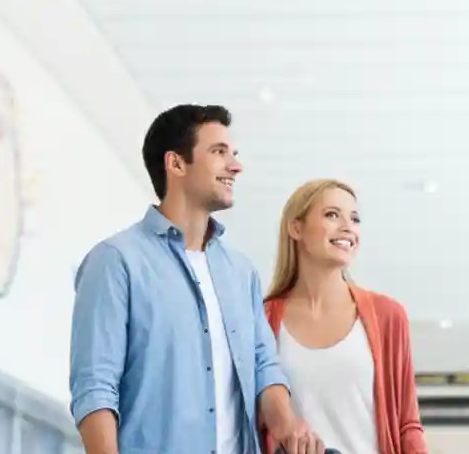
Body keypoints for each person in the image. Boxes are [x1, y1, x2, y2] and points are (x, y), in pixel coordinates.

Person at [68, 104, 324, 454]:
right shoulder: (115, 262)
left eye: (233, 154)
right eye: (219, 152)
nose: (236, 165)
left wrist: (288, 425)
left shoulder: (240, 272)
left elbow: (264, 365)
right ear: (176, 163)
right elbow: (95, 387)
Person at [261, 179, 429, 454]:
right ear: (296, 228)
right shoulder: (263, 319)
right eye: (331, 215)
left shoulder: (388, 315)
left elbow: (407, 424)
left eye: (355, 218)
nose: (348, 227)